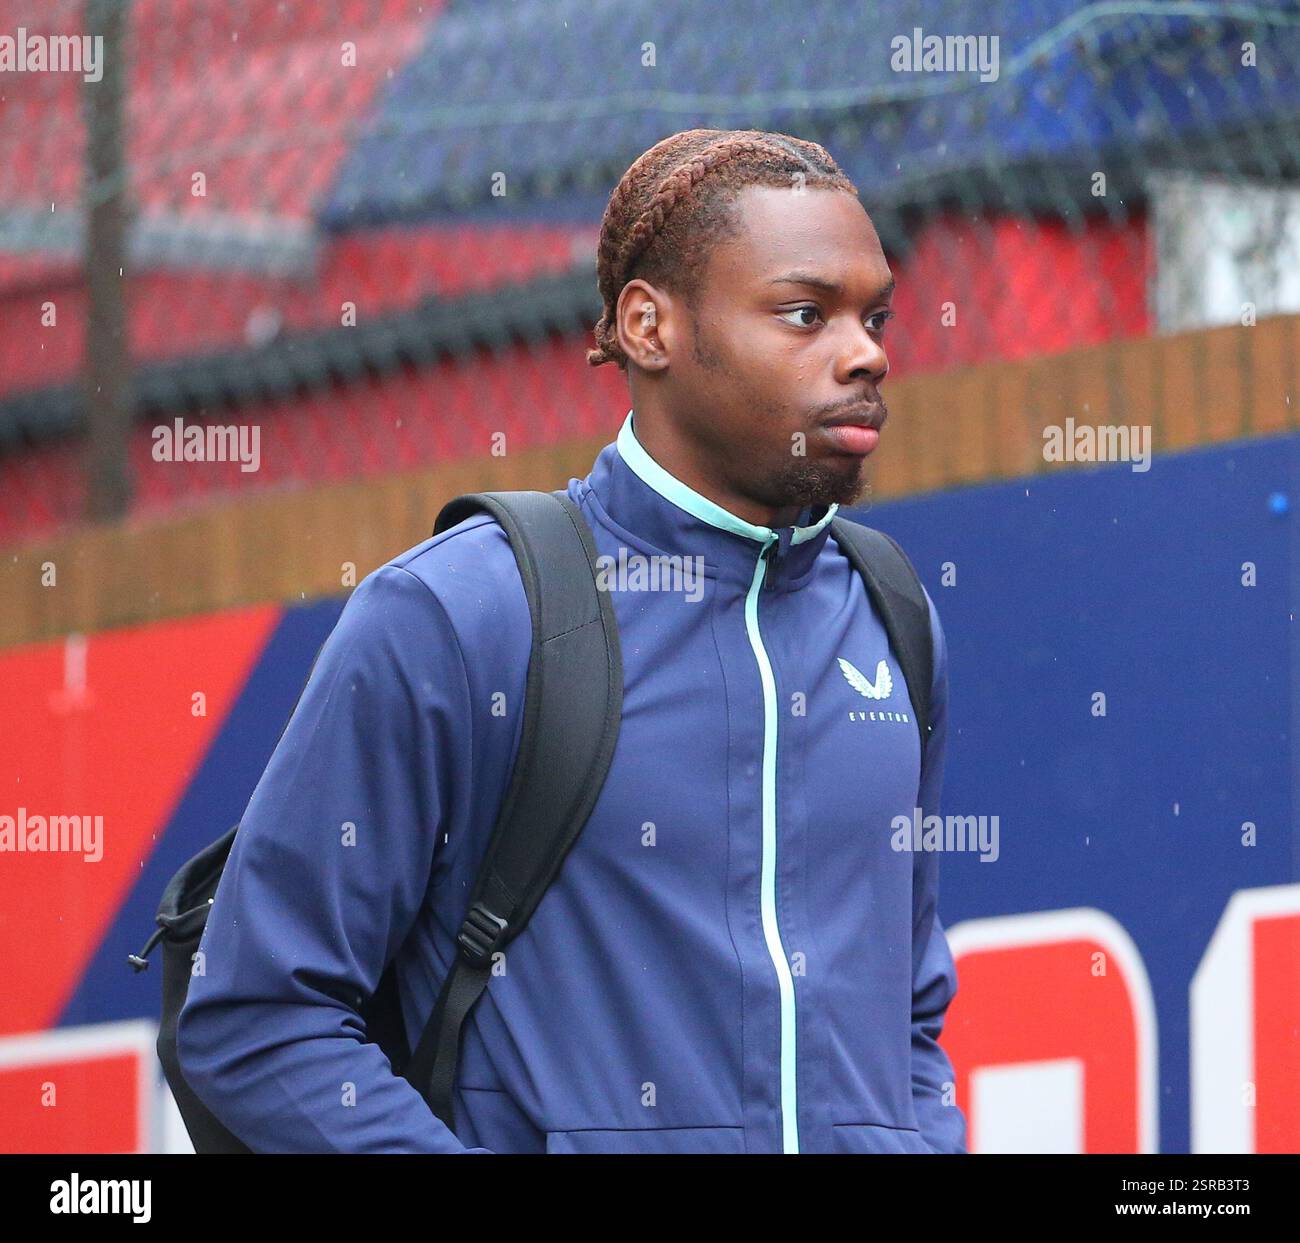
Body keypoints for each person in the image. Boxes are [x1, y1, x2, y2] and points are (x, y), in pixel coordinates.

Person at [177, 127, 967, 1154]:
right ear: (648, 326)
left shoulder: (891, 613)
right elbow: (258, 1019)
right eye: (805, 313)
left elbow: (907, 1007)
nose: (865, 352)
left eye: (875, 315)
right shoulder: (457, 613)